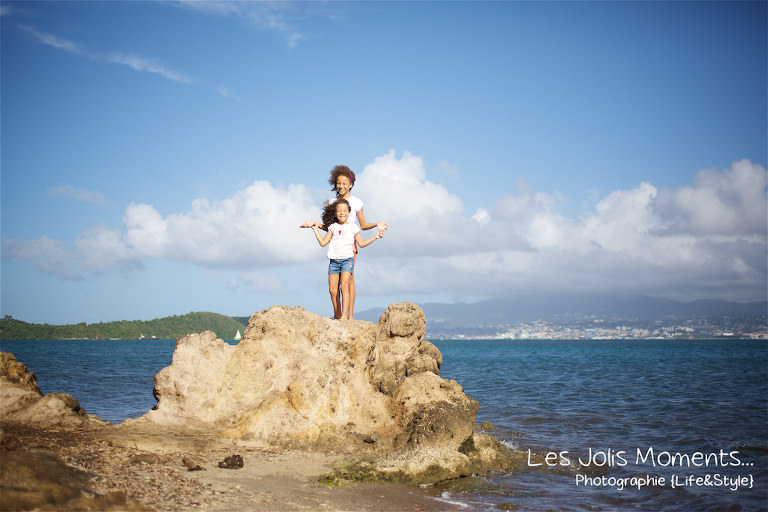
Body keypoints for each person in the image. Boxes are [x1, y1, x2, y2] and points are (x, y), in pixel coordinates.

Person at [302, 165, 388, 319]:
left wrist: (377, 224)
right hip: (336, 244)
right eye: (338, 183)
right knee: (335, 286)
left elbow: (363, 225)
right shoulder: (331, 202)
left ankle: (350, 315)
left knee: (349, 281)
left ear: (351, 184)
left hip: (350, 243)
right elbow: (329, 228)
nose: (341, 186)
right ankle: (338, 313)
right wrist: (315, 224)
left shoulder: (356, 202)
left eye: (344, 183)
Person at [310, 199, 381, 320]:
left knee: (344, 287)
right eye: (339, 211)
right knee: (332, 290)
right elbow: (323, 243)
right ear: (335, 213)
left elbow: (361, 243)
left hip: (347, 261)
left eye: (344, 210)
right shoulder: (332, 227)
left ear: (349, 212)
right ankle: (337, 314)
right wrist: (315, 230)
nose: (342, 213)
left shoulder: (353, 227)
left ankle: (344, 316)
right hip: (333, 261)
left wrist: (375, 236)